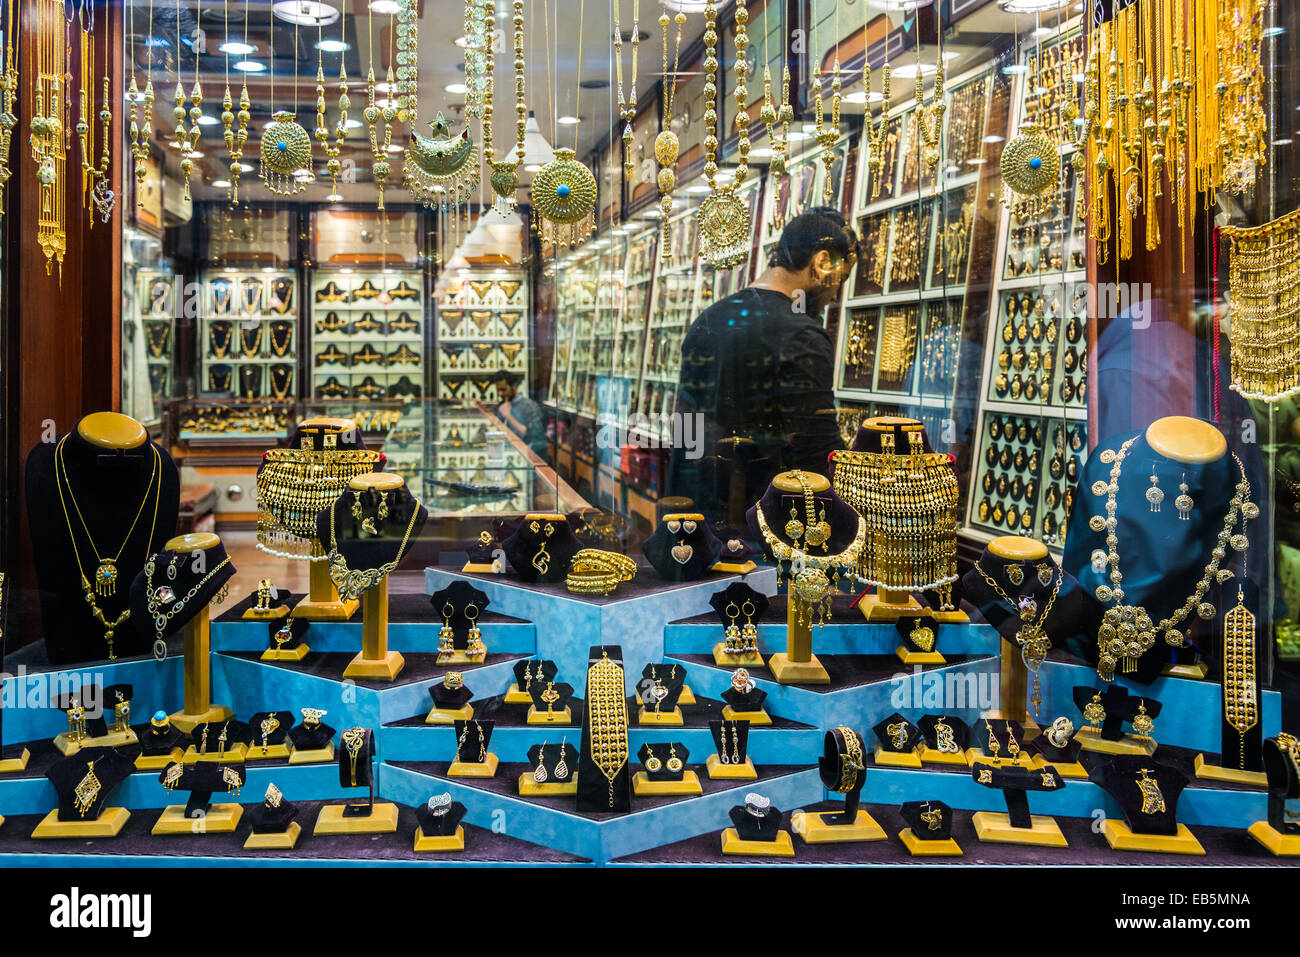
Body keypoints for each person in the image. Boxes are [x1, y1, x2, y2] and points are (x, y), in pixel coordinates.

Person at [668, 207, 857, 518]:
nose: (835, 294)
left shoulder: (708, 319)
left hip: (697, 522)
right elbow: (818, 458)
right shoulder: (803, 334)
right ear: (821, 262)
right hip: (766, 530)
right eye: (841, 279)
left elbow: (687, 432)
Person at [492, 371, 549, 456]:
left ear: (514, 386)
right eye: (498, 390)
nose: (500, 393)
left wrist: (509, 416)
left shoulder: (530, 406)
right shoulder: (500, 406)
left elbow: (534, 437)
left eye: (503, 389)